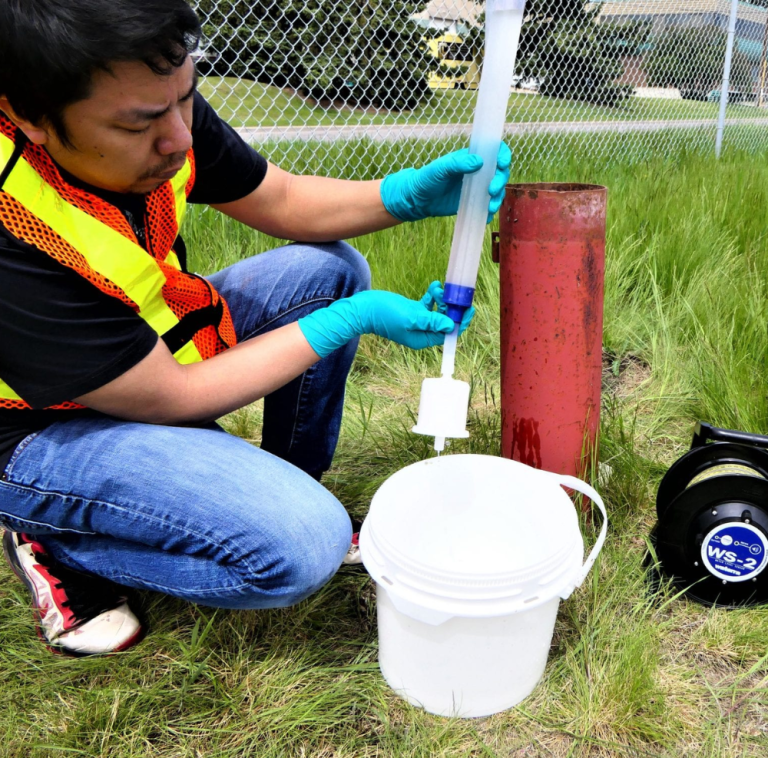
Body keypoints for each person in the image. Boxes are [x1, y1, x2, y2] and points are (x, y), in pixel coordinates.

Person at [0, 0, 511, 656]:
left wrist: (403, 198)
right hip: (41, 428)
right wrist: (348, 323)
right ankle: (56, 536)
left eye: (186, 99)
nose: (180, 137)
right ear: (27, 116)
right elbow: (169, 399)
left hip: (144, 351)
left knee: (329, 271)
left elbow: (282, 200)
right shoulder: (13, 219)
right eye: (142, 123)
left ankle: (273, 487)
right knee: (300, 549)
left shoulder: (154, 91)